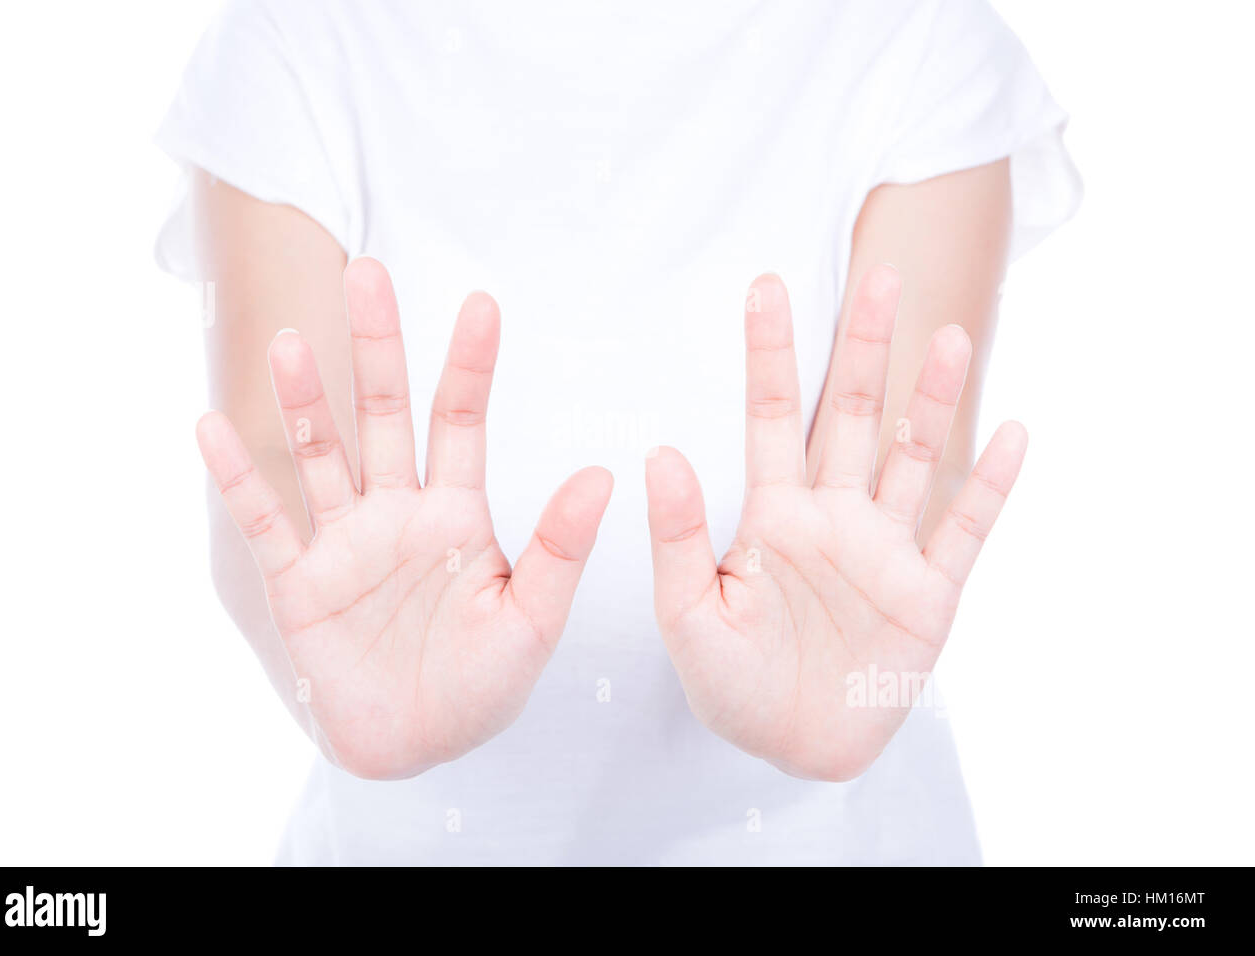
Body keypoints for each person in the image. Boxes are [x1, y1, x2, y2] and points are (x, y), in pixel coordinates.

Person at [157, 0, 1080, 864]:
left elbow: (910, 469)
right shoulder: (295, 34)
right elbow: (269, 466)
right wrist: (327, 684)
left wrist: (843, 678)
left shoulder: (917, 32)